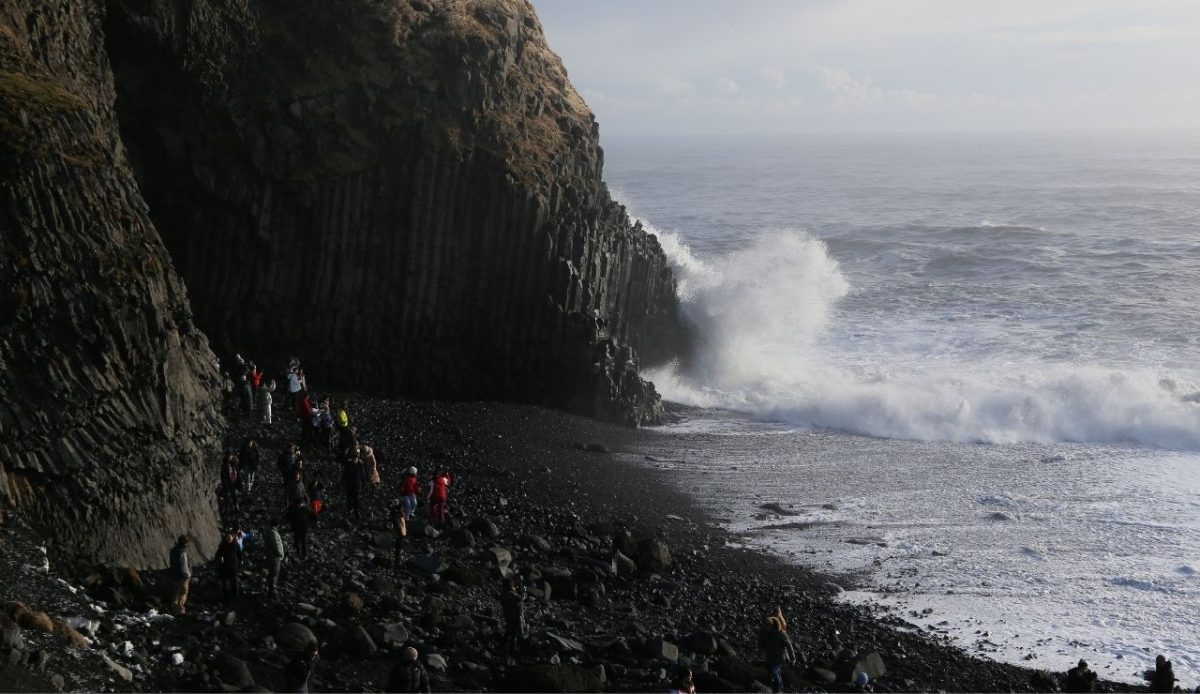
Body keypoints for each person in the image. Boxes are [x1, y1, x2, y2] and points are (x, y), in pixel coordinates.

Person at [758, 616, 795, 693]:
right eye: (764, 625)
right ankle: (781, 690)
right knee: (777, 673)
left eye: (767, 626)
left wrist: (792, 658)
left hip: (780, 657)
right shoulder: (764, 633)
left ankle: (777, 690)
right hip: (770, 657)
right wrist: (760, 655)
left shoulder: (781, 633)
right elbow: (761, 644)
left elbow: (789, 646)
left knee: (774, 672)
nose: (765, 627)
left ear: (772, 625)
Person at [499, 576, 526, 654]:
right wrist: (523, 593)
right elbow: (520, 598)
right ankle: (512, 649)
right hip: (513, 614)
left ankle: (503, 644)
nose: (512, 586)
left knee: (508, 629)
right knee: (514, 632)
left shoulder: (503, 593)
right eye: (511, 584)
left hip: (507, 614)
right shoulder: (511, 594)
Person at [215, 530, 241, 603]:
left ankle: (235, 596)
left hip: (233, 567)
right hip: (224, 567)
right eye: (227, 537)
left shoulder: (235, 545)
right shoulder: (223, 545)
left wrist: (240, 564)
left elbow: (239, 556)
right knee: (225, 583)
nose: (228, 538)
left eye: (230, 537)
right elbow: (219, 554)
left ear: (233, 537)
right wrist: (222, 560)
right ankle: (226, 598)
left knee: (234, 583)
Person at [168, 535, 191, 615]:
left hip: (173, 575)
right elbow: (184, 566)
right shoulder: (182, 552)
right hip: (182, 577)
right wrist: (188, 575)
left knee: (175, 593)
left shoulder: (173, 550)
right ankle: (180, 611)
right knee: (183, 593)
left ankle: (174, 610)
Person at [265, 523, 286, 600]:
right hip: (275, 557)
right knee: (274, 573)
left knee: (272, 573)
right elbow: (276, 544)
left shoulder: (270, 531)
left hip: (272, 556)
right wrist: (280, 554)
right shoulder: (273, 532)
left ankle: (271, 592)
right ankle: (273, 594)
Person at [342, 451, 365, 519]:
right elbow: (344, 474)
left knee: (356, 499)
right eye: (354, 458)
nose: (355, 459)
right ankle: (349, 509)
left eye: (356, 458)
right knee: (349, 498)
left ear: (358, 458)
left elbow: (362, 474)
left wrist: (364, 482)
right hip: (349, 484)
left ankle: (356, 511)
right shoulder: (349, 464)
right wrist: (342, 482)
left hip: (357, 485)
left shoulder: (360, 465)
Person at [220, 451, 240, 516]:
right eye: (228, 456)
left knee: (234, 495)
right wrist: (224, 482)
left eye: (230, 456)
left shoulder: (234, 463)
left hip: (233, 482)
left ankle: (235, 506)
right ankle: (226, 509)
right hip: (227, 482)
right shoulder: (225, 464)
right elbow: (223, 474)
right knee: (226, 497)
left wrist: (238, 482)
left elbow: (238, 473)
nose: (229, 457)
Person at [391, 500, 407, 566]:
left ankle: (398, 561)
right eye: (402, 507)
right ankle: (397, 562)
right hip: (399, 534)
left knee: (398, 548)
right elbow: (398, 526)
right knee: (398, 548)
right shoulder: (397, 515)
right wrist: (401, 534)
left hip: (400, 533)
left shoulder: (397, 514)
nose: (403, 508)